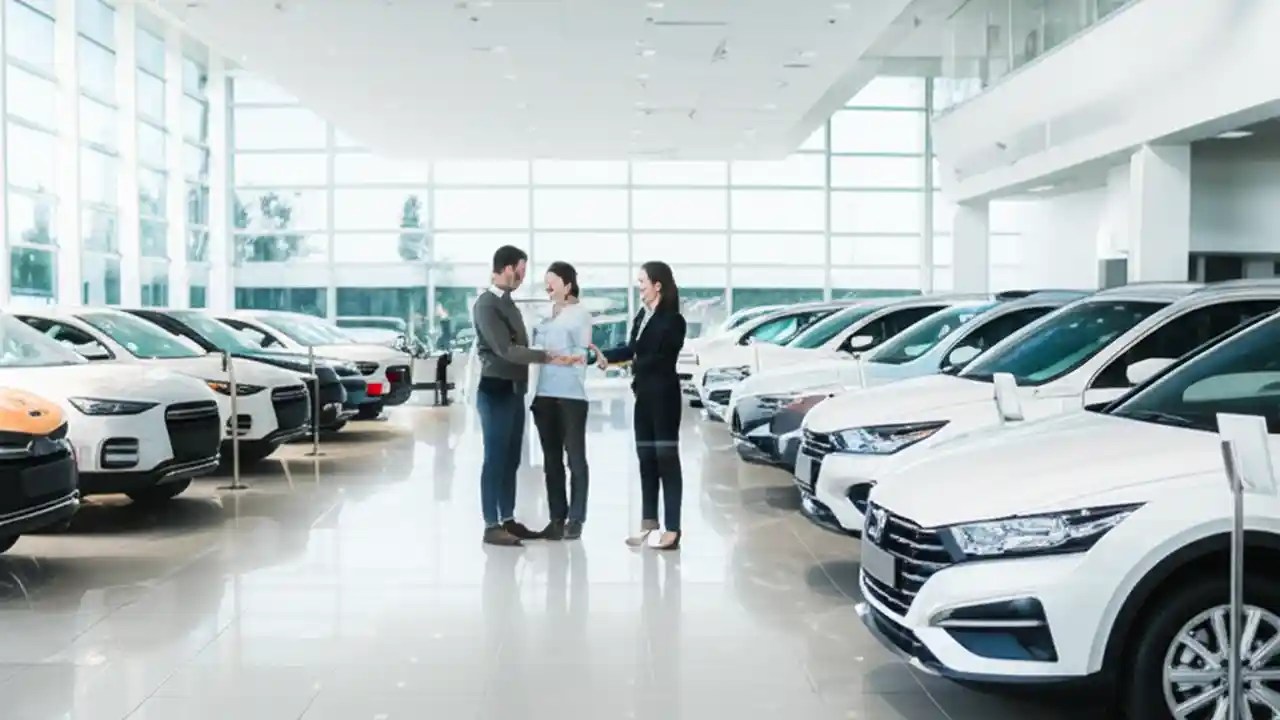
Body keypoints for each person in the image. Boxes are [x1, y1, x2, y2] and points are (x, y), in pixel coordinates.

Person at [473, 245, 581, 547]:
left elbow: (517, 344)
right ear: (508, 268)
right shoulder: (486, 304)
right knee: (494, 459)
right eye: (521, 269)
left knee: (510, 460)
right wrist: (548, 356)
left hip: (514, 390)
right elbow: (506, 349)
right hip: (495, 390)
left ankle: (507, 519)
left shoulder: (508, 303)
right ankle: (490, 524)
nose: (522, 276)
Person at [594, 261, 687, 550]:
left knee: (666, 460)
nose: (640, 287)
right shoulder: (642, 316)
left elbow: (661, 359)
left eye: (642, 282)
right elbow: (632, 349)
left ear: (658, 284)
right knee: (646, 459)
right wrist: (604, 357)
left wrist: (631, 364)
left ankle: (672, 529)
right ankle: (649, 526)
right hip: (644, 397)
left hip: (664, 397)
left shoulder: (674, 320)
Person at [530, 262, 593, 541]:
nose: (547, 287)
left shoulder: (580, 315)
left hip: (571, 396)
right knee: (551, 461)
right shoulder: (544, 315)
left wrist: (559, 357)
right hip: (543, 394)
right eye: (545, 282)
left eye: (552, 282)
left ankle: (576, 518)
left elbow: (582, 356)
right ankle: (557, 517)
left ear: (567, 285)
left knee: (575, 459)